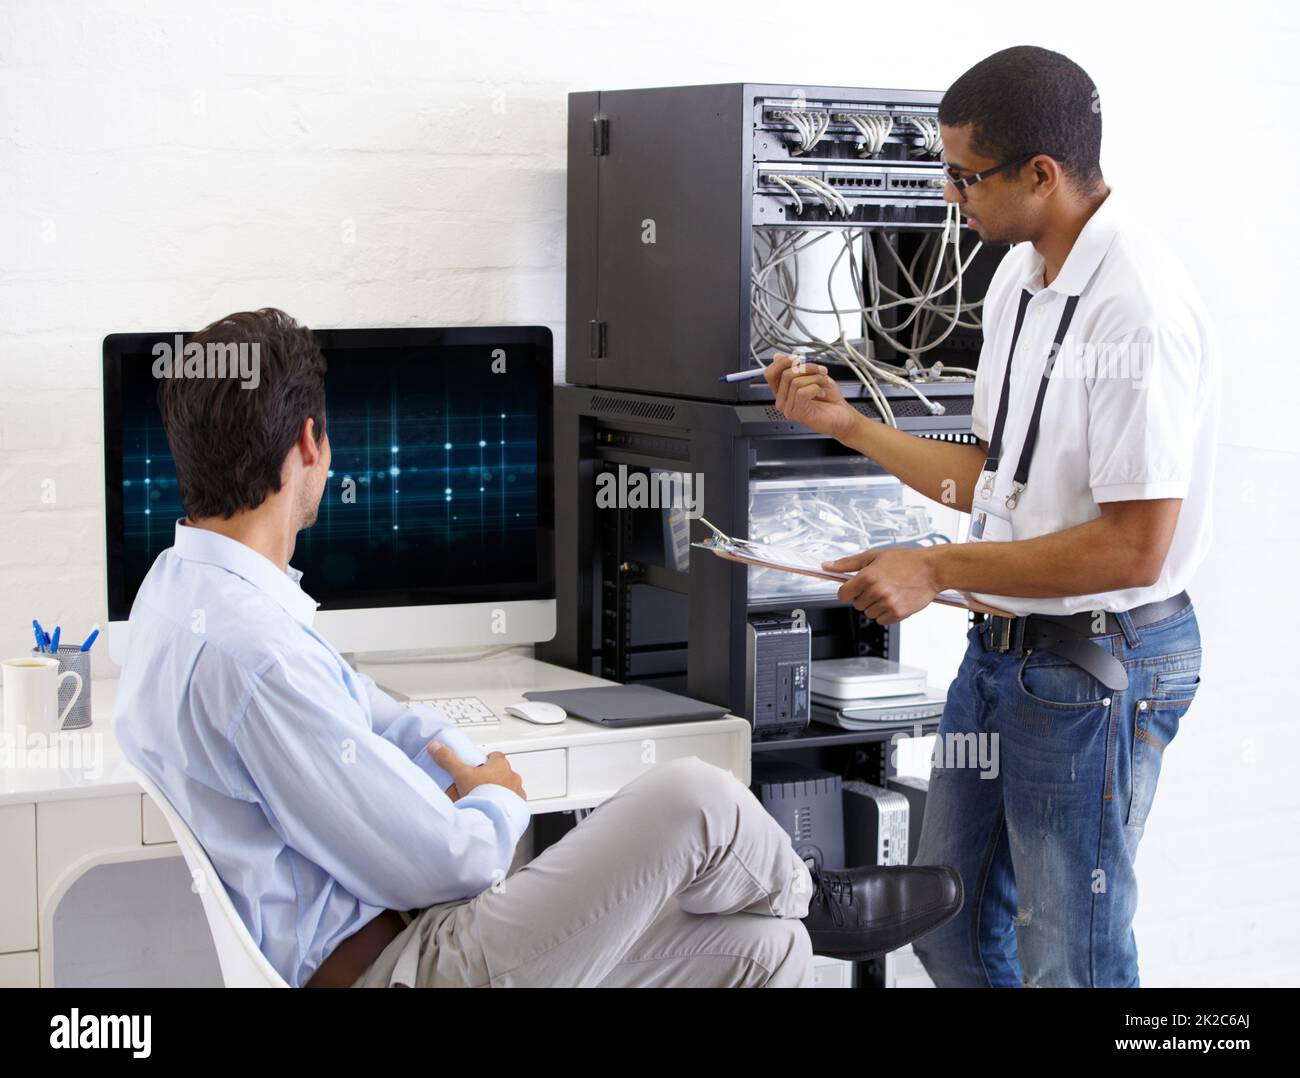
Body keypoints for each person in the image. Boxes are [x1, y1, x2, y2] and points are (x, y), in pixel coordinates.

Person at [113, 307, 962, 988]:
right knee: (695, 799)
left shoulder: (181, 591)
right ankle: (820, 902)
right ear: (310, 444)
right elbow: (448, 865)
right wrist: (494, 800)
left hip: (399, 945)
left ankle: (802, 913)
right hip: (410, 965)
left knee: (763, 951)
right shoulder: (254, 654)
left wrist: (458, 758)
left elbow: (376, 715)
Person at [765, 46, 1217, 987]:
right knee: (948, 926)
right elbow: (992, 480)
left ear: (1041, 175)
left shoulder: (1139, 308)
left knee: (1073, 961)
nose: (948, 195)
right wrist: (845, 424)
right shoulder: (1017, 280)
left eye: (965, 176)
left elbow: (1137, 543)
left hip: (1102, 661)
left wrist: (936, 569)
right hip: (1005, 651)